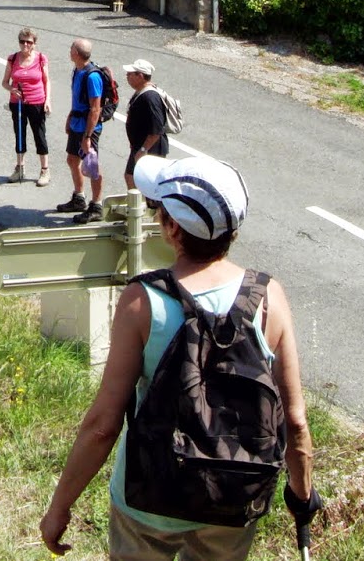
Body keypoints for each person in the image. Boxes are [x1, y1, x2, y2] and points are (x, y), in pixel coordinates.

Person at [39, 155, 316, 560]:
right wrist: (302, 494)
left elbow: (102, 425)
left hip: (149, 500)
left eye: (158, 210)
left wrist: (59, 506)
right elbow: (295, 420)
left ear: (172, 228)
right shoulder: (269, 298)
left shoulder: (142, 301)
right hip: (231, 498)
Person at [57, 38, 106, 224]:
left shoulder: (92, 76)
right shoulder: (77, 71)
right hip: (77, 123)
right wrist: (70, 117)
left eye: (71, 49)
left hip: (88, 128)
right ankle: (79, 198)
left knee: (92, 166)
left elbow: (96, 108)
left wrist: (87, 135)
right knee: (72, 159)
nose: (69, 51)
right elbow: (77, 98)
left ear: (76, 53)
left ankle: (97, 205)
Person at [0, 27, 51, 185]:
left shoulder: (41, 58)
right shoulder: (13, 59)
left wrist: (48, 100)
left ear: (34, 43)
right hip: (17, 103)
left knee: (39, 135)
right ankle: (19, 168)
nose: (25, 45)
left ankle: (45, 170)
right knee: (19, 134)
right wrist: (12, 89)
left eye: (29, 42)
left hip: (37, 102)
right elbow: (4, 82)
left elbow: (46, 81)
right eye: (22, 41)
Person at [122, 60, 170, 191]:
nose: (127, 76)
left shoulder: (150, 97)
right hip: (141, 146)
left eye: (130, 74)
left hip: (150, 148)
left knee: (141, 179)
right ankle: (143, 207)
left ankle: (147, 208)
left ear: (140, 76)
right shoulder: (141, 93)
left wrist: (143, 150)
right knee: (132, 177)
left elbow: (157, 130)